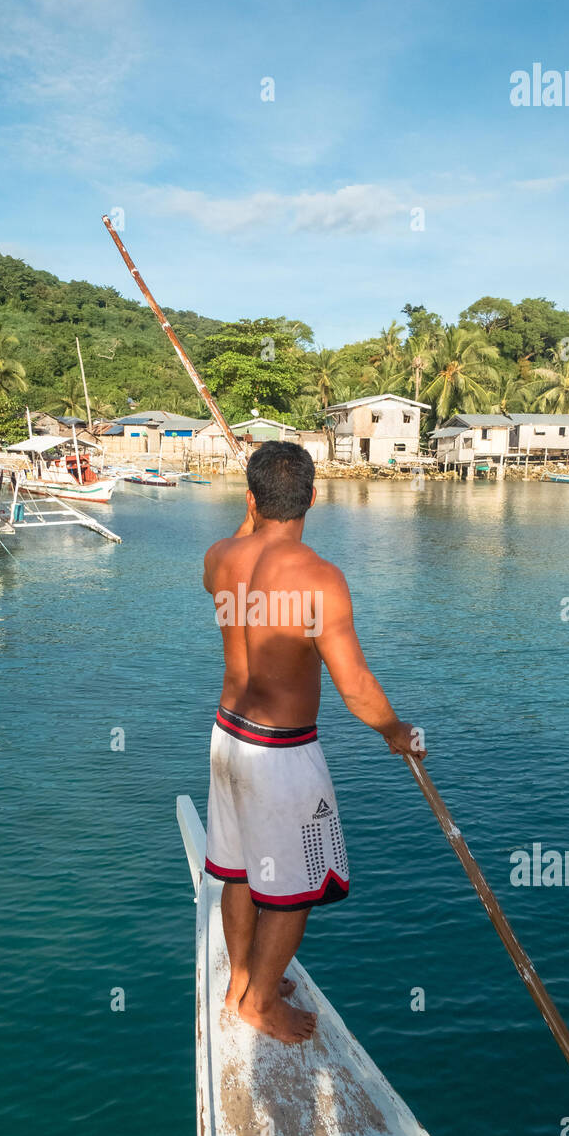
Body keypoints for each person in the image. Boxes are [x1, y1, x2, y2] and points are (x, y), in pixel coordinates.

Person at [203, 441, 424, 1045]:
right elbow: (354, 686)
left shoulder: (220, 558)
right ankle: (259, 1003)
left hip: (227, 736)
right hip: (280, 752)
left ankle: (240, 981)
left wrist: (250, 518)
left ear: (250, 499)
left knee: (242, 872)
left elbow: (240, 551)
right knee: (293, 891)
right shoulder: (320, 579)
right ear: (314, 498)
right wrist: (395, 730)